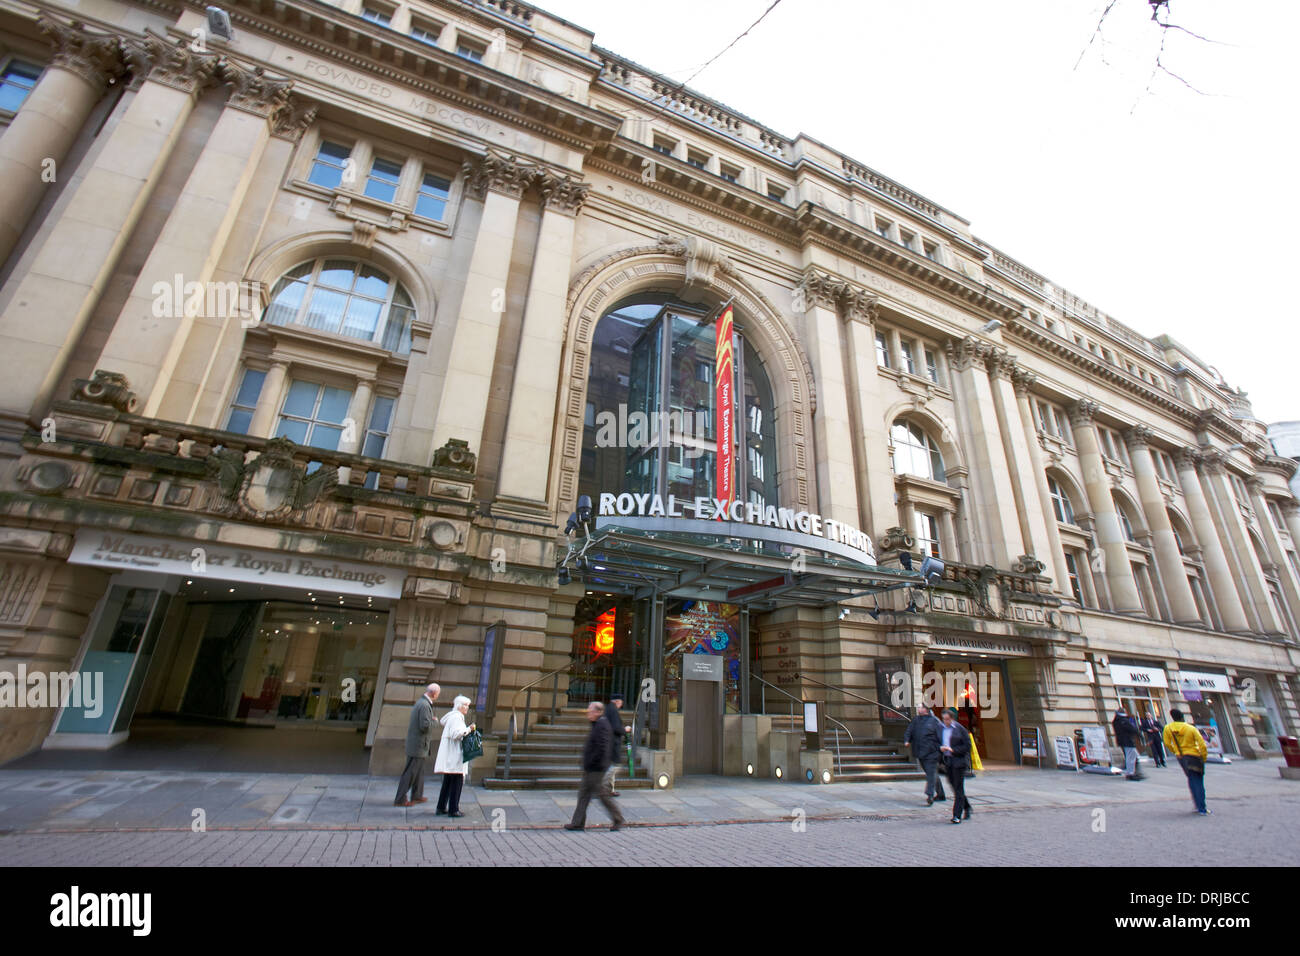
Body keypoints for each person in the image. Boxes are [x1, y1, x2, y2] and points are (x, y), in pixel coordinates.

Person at [565, 701, 626, 832]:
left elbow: (602, 748)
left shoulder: (602, 725)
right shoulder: (597, 724)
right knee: (583, 795)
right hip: (591, 767)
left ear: (598, 712)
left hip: (596, 768)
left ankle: (618, 819)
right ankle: (577, 822)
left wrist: (594, 762)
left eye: (590, 710)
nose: (588, 712)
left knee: (602, 795)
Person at [394, 683, 440, 807]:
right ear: (434, 693)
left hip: (417, 744)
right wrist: (434, 722)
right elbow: (424, 726)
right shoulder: (425, 705)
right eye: (438, 694)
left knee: (418, 772)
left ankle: (417, 795)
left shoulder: (421, 702)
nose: (437, 696)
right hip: (418, 745)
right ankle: (400, 799)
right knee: (411, 772)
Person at [433, 695, 476, 818]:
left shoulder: (453, 717)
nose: (467, 708)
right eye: (465, 705)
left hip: (451, 755)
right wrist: (470, 729)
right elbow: (456, 734)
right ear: (459, 706)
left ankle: (441, 807)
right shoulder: (457, 717)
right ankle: (453, 809)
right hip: (455, 755)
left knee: (447, 782)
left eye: (468, 705)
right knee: (457, 782)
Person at [1163, 708, 1210, 815]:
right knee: (1198, 781)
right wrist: (1204, 757)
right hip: (1194, 755)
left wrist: (1176, 751)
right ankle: (1201, 807)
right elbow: (1202, 744)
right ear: (1182, 717)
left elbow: (1167, 743)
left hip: (1182, 757)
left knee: (1191, 779)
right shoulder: (1190, 728)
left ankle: (1197, 805)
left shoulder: (1168, 728)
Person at [902, 704, 946, 805]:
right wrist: (906, 740)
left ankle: (929, 795)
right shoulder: (916, 720)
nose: (918, 709)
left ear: (926, 709)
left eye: (920, 707)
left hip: (932, 752)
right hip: (920, 752)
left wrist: (940, 748)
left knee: (931, 773)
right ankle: (941, 794)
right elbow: (909, 731)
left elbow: (941, 735)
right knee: (931, 773)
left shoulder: (934, 721)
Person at [939, 708, 973, 824]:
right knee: (954, 786)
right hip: (948, 762)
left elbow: (967, 746)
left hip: (959, 762)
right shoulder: (941, 729)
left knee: (958, 787)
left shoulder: (960, 729)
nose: (945, 722)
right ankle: (967, 806)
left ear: (952, 719)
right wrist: (941, 748)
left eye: (947, 719)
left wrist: (953, 750)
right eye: (944, 719)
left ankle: (956, 815)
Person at [603, 693, 631, 796]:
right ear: (617, 701)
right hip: (612, 743)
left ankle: (610, 789)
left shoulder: (608, 709)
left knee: (612, 766)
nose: (621, 705)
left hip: (608, 742)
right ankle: (603, 786)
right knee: (615, 766)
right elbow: (616, 728)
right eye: (621, 703)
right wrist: (625, 730)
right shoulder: (613, 710)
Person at [1112, 706, 1145, 780]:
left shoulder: (1116, 721)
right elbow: (1132, 729)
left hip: (1122, 741)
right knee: (1131, 758)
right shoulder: (1123, 720)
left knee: (1133, 756)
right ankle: (1130, 773)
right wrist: (1139, 735)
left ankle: (1134, 772)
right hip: (1127, 741)